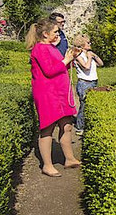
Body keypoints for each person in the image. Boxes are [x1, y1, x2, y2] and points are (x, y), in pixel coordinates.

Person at [27, 17, 81, 177]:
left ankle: (69, 159)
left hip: (59, 93)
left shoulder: (50, 47)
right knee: (47, 129)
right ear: (45, 34)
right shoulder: (40, 49)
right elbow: (50, 70)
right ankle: (47, 165)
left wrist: (71, 58)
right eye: (56, 32)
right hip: (48, 95)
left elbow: (60, 66)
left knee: (66, 126)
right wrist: (66, 59)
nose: (59, 34)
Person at [72, 34, 103, 133]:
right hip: (84, 83)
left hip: (93, 82)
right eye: (88, 42)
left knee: (91, 105)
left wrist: (94, 56)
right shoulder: (78, 56)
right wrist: (89, 57)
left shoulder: (89, 54)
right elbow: (86, 67)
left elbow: (101, 64)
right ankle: (79, 127)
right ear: (81, 44)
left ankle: (87, 125)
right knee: (84, 105)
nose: (90, 44)